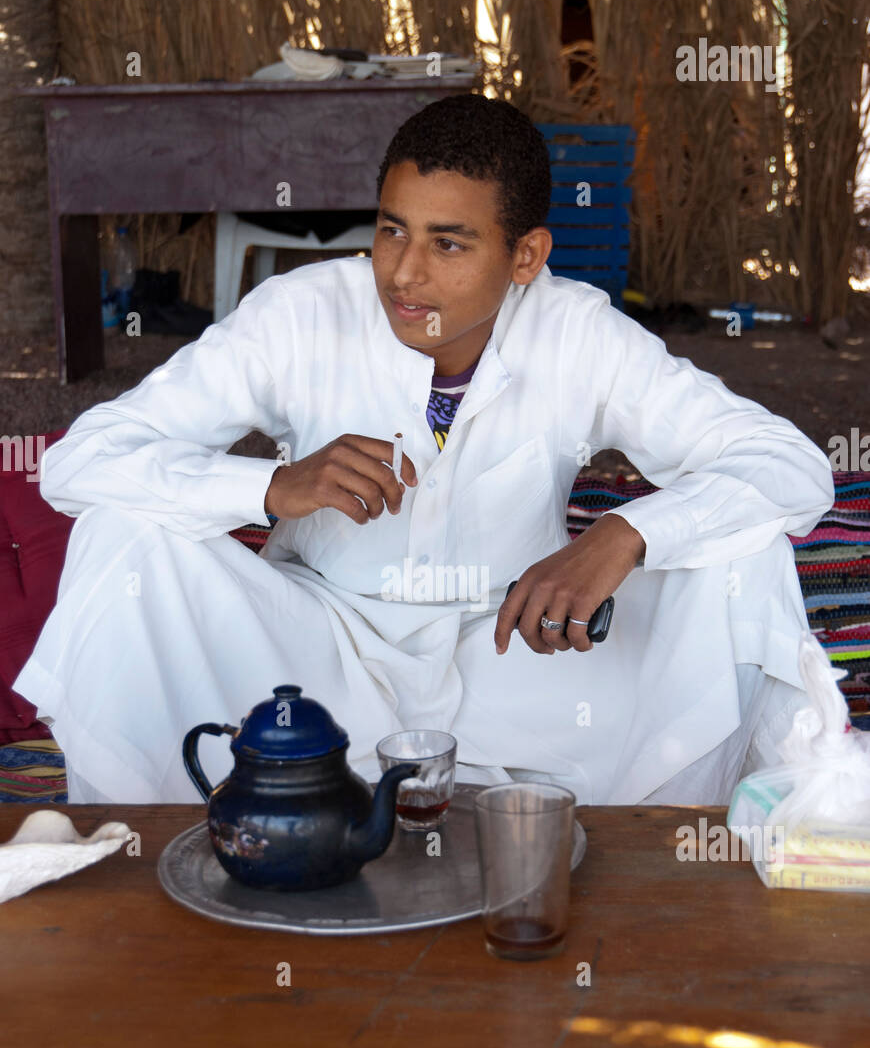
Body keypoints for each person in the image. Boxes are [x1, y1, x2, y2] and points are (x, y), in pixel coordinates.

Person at [15, 94, 833, 806]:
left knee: (741, 553)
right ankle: (152, 854)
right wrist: (272, 486)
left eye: (449, 243)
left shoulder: (579, 333)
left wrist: (624, 536)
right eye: (391, 230)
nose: (403, 274)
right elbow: (81, 463)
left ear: (526, 257)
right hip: (311, 658)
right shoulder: (300, 314)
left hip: (517, 659)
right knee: (119, 533)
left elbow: (786, 466)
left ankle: (668, 858)